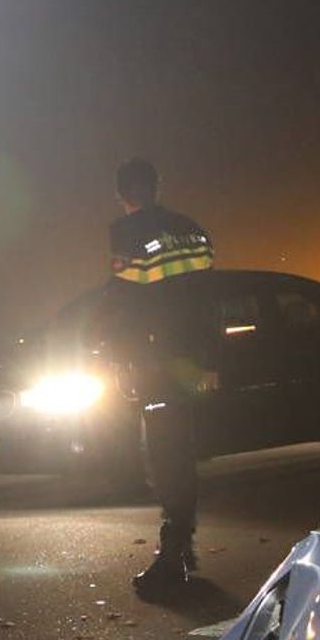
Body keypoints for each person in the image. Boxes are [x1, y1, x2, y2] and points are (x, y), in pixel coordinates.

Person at [99, 157, 216, 598]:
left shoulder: (126, 233)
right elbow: (209, 298)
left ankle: (174, 554)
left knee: (166, 456)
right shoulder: (193, 229)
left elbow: (125, 302)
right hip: (191, 360)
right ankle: (183, 543)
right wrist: (208, 357)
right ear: (157, 186)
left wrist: (120, 356)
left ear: (120, 194)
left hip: (155, 361)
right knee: (181, 452)